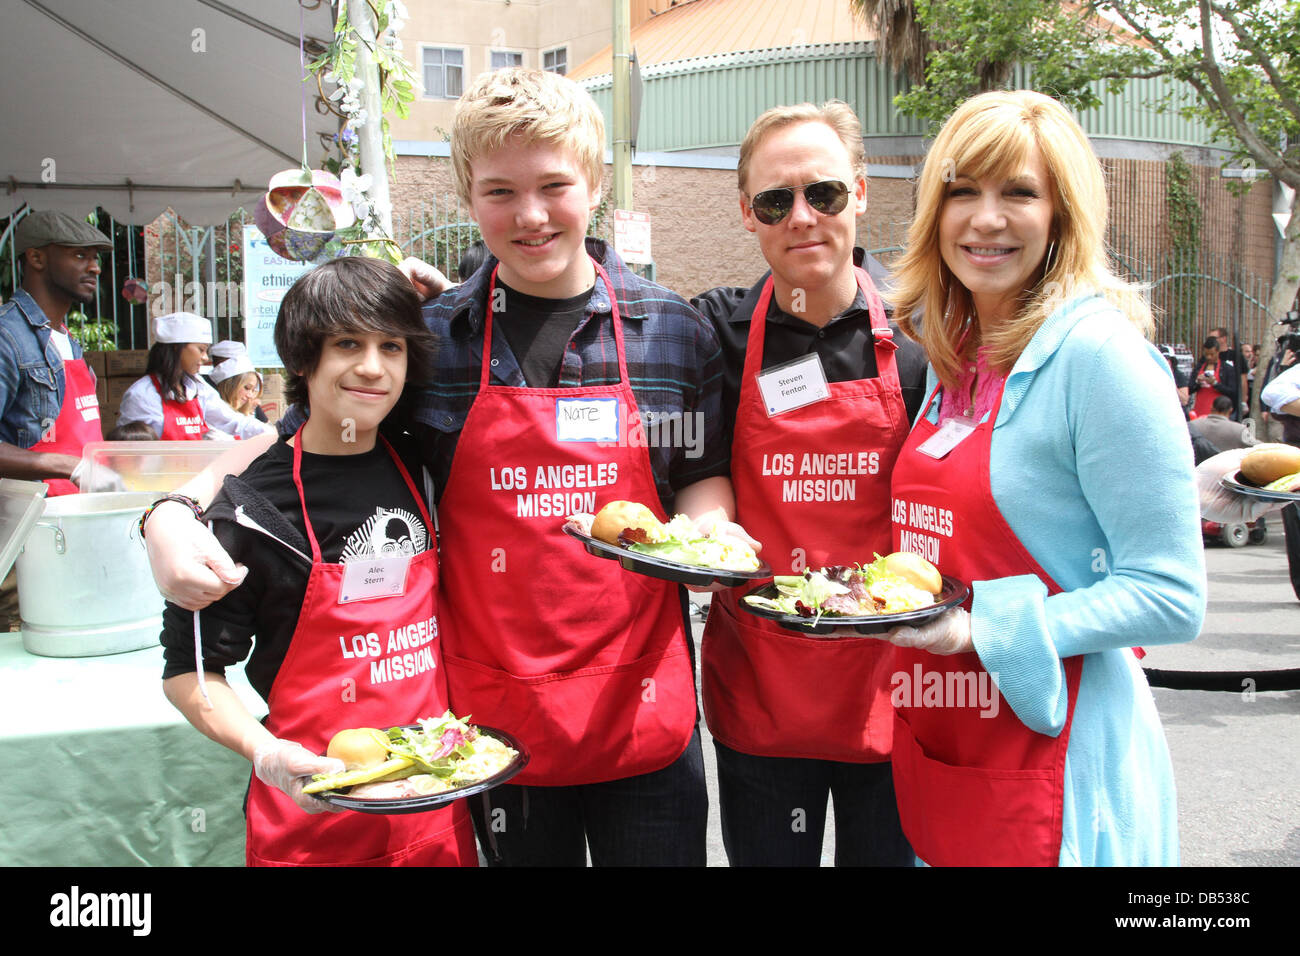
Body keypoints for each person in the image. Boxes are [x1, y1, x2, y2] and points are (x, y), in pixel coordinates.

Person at [143, 67, 743, 867]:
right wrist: (171, 512)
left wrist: (709, 536)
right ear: (467, 195)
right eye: (500, 192)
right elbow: (302, 432)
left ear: (595, 183)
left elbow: (698, 469)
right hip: (495, 722)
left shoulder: (672, 329)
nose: (530, 215)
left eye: (554, 185)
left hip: (642, 704)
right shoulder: (432, 339)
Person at [881, 90, 1205, 866]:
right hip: (952, 736)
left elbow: (1171, 593)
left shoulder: (1101, 358)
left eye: (1018, 193)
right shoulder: (959, 359)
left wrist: (985, 629)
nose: (985, 219)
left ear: (1062, 214)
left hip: (1064, 769)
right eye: (963, 191)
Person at [158, 256, 477, 866]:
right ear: (304, 361)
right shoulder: (250, 511)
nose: (372, 367)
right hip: (313, 818)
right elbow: (189, 674)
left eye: (392, 346)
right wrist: (266, 753)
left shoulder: (424, 465)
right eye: (347, 344)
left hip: (431, 805)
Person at [687, 102, 925, 866]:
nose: (802, 218)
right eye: (775, 200)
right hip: (764, 681)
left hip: (890, 679)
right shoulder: (713, 331)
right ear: (747, 214)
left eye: (822, 194)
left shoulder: (925, 335)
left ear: (859, 192)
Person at [0, 210, 113, 494]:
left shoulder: (67, 340)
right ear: (36, 258)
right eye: (79, 256)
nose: (94, 268)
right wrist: (70, 467)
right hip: (34, 525)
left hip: (81, 515)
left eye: (95, 258)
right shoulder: (7, 336)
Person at [118, 313, 273, 440]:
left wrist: (274, 433)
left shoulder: (198, 389)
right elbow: (131, 449)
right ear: (176, 347)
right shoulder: (142, 395)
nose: (205, 358)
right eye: (201, 349)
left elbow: (232, 421)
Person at [1189, 335, 1238, 420]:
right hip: (1199, 411)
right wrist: (1197, 382)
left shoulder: (1227, 369)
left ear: (1218, 352)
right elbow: (1189, 389)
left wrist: (1215, 384)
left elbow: (1233, 392)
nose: (1209, 357)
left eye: (1212, 354)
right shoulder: (1199, 367)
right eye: (1206, 354)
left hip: (1219, 413)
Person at [210, 353, 267, 422]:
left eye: (253, 390)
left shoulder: (247, 415)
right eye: (247, 388)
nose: (250, 395)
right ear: (230, 386)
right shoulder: (213, 415)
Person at [1189, 394, 1256, 451]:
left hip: (1197, 465)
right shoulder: (1239, 429)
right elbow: (1257, 446)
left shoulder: (1192, 425)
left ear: (1211, 407)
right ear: (1230, 410)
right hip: (1228, 465)